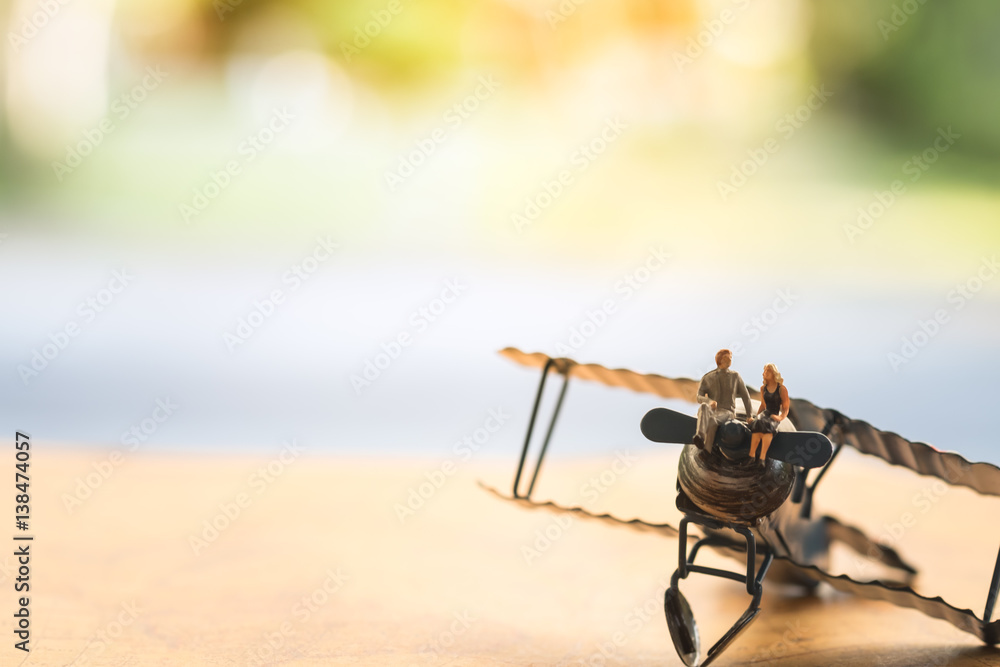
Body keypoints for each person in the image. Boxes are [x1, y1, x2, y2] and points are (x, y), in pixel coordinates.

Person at [694, 349, 753, 451]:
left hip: (728, 411)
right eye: (726, 357)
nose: (730, 359)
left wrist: (749, 416)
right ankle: (700, 436)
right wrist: (709, 402)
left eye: (731, 357)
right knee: (703, 406)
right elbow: (699, 396)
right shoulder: (708, 377)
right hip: (713, 410)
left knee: (712, 420)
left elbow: (745, 396)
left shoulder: (735, 376)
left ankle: (707, 451)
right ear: (720, 360)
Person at [749, 363, 789, 462]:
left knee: (768, 425)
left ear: (774, 373)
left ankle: (762, 457)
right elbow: (763, 405)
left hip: (774, 414)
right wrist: (755, 417)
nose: (765, 373)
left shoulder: (782, 389)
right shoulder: (763, 388)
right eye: (764, 371)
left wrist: (780, 418)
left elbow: (785, 408)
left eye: (768, 371)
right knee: (758, 422)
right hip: (765, 413)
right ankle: (751, 455)